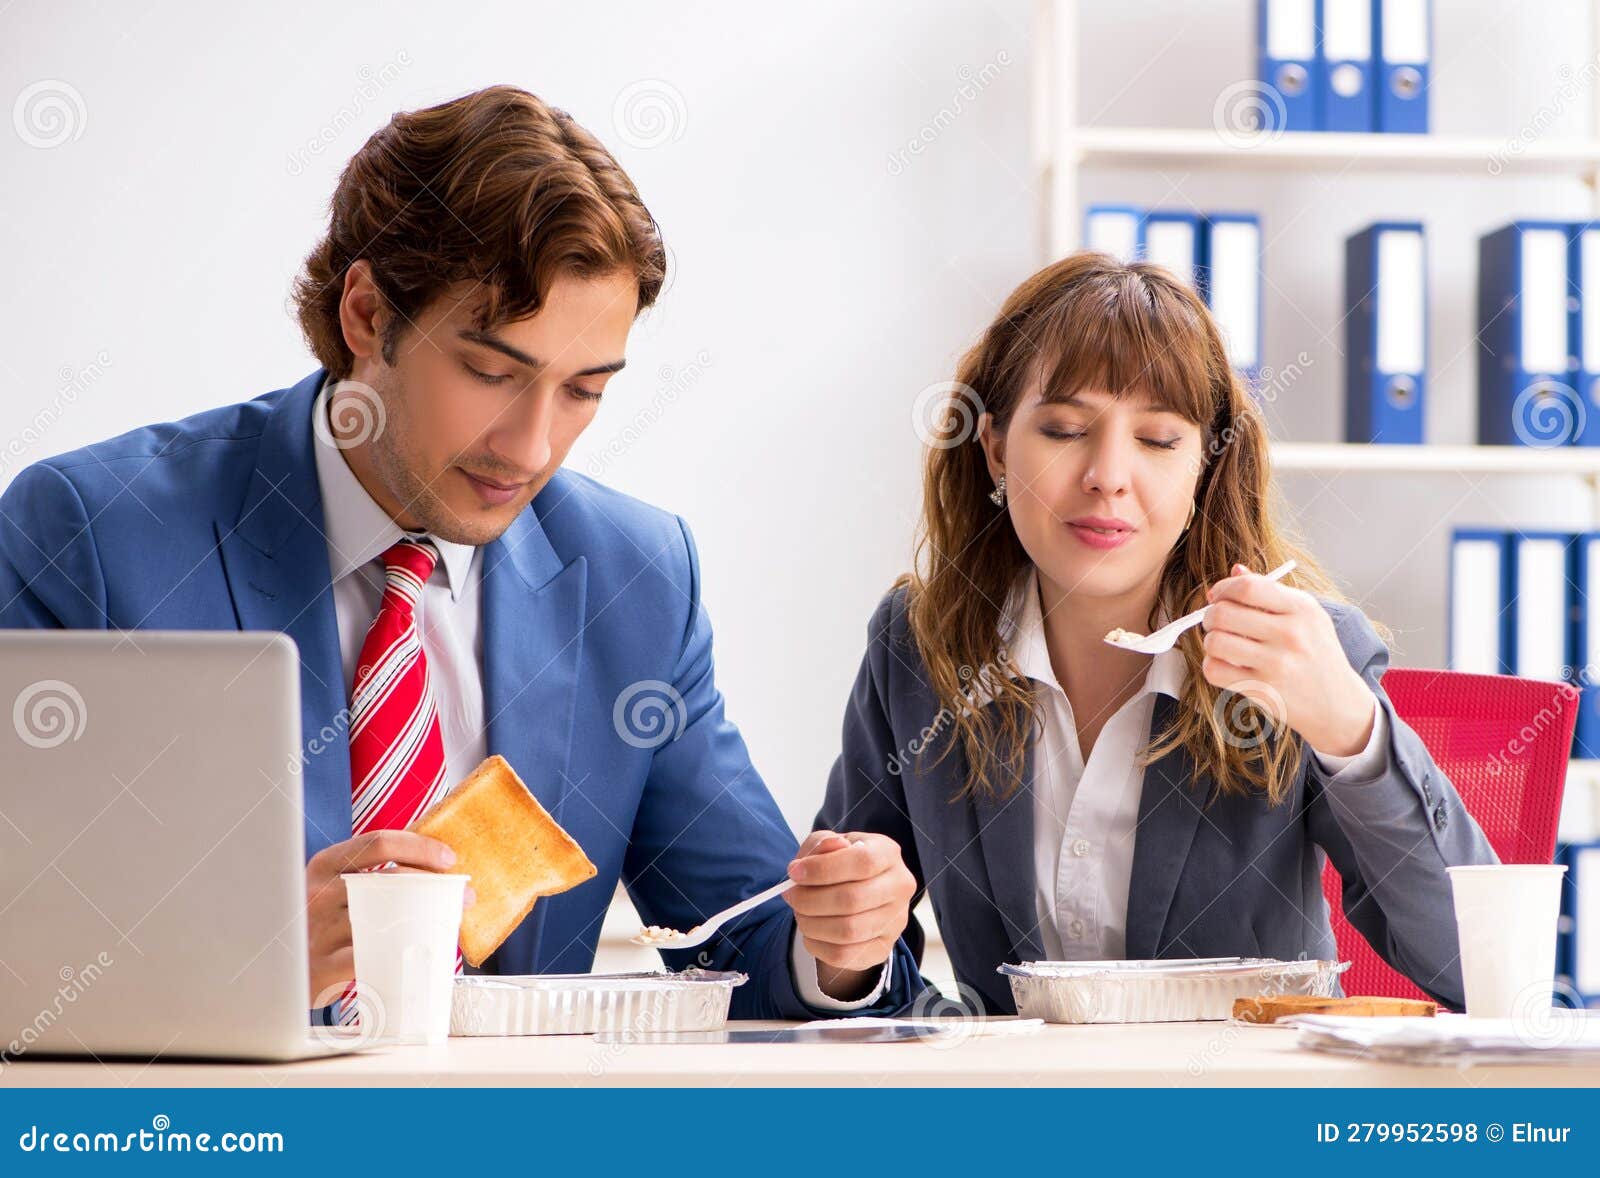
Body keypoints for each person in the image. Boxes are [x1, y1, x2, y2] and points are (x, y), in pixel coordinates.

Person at [0, 85, 922, 1021]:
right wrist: (242, 963)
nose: (531, 447)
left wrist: (837, 943)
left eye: (585, 390)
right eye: (491, 372)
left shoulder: (635, 579)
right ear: (368, 315)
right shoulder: (92, 535)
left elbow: (747, 937)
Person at [810, 251, 1496, 1014]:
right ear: (996, 446)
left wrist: (1352, 731)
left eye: (1160, 440)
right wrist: (844, 954)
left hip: (1243, 1087)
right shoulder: (919, 647)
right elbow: (848, 959)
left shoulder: (1302, 650)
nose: (1108, 475)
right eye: (1065, 429)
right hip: (1016, 1089)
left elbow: (1479, 967)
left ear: (1205, 464)